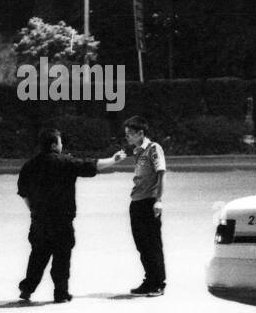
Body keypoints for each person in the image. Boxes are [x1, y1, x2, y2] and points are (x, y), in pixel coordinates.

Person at [16, 129, 125, 303]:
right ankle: (61, 293)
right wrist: (113, 160)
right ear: (54, 145)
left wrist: (33, 210)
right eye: (60, 142)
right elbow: (91, 165)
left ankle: (27, 289)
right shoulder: (65, 162)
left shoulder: (29, 166)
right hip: (62, 221)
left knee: (37, 256)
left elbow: (23, 193)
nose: (62, 145)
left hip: (39, 220)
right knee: (61, 258)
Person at [123, 116, 168, 296]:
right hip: (137, 202)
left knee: (152, 244)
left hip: (149, 201)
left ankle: (158, 283)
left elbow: (161, 173)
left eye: (130, 134)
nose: (127, 137)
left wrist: (158, 200)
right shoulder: (138, 151)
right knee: (142, 244)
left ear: (141, 133)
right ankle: (149, 280)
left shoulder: (153, 148)